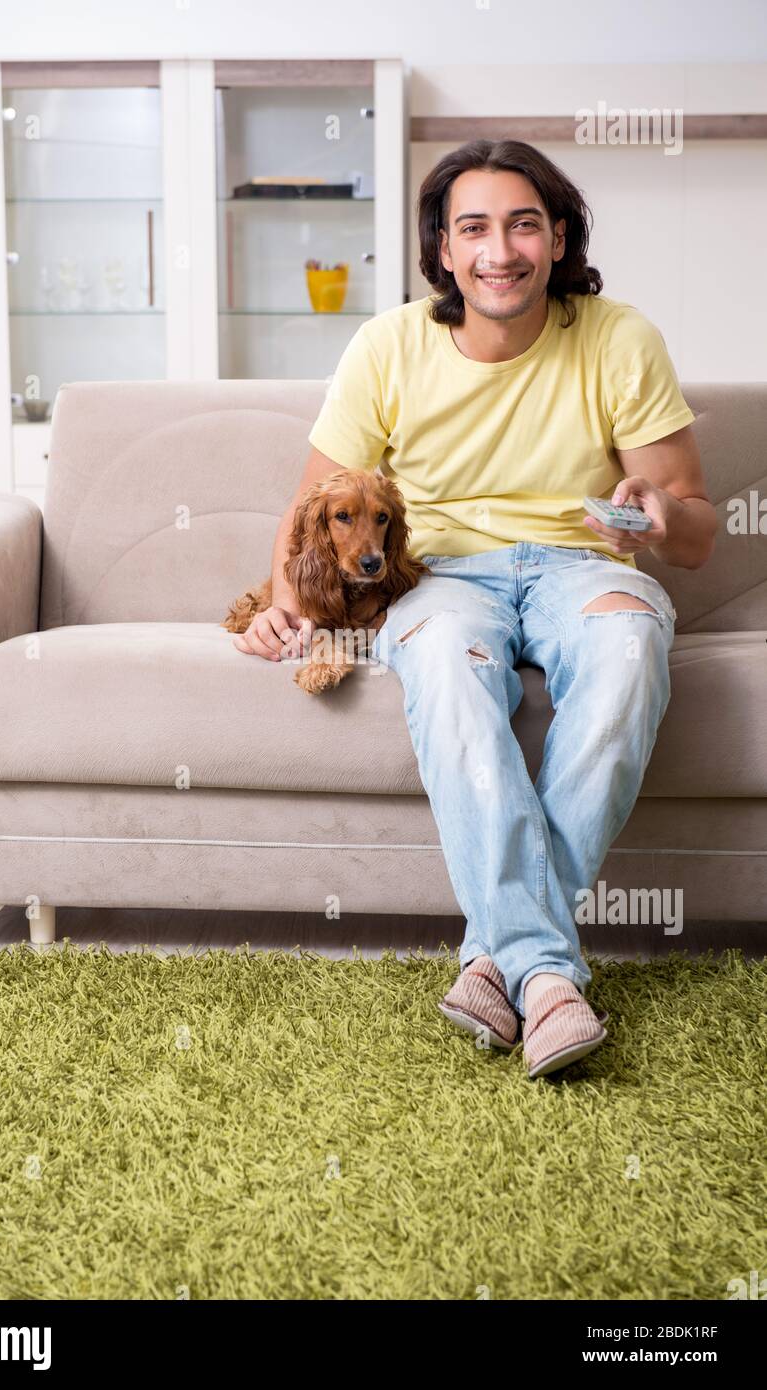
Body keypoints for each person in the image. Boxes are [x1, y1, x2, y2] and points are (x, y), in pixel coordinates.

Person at [232, 139, 715, 1078]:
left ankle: (505, 962)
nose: (501, 250)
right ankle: (547, 977)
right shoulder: (388, 344)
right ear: (443, 251)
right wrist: (286, 608)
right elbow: (309, 510)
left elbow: (695, 532)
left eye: (524, 224)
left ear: (559, 236)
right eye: (474, 228)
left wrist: (656, 519)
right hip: (442, 575)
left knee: (627, 649)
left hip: (583, 563)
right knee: (447, 660)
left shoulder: (618, 337)